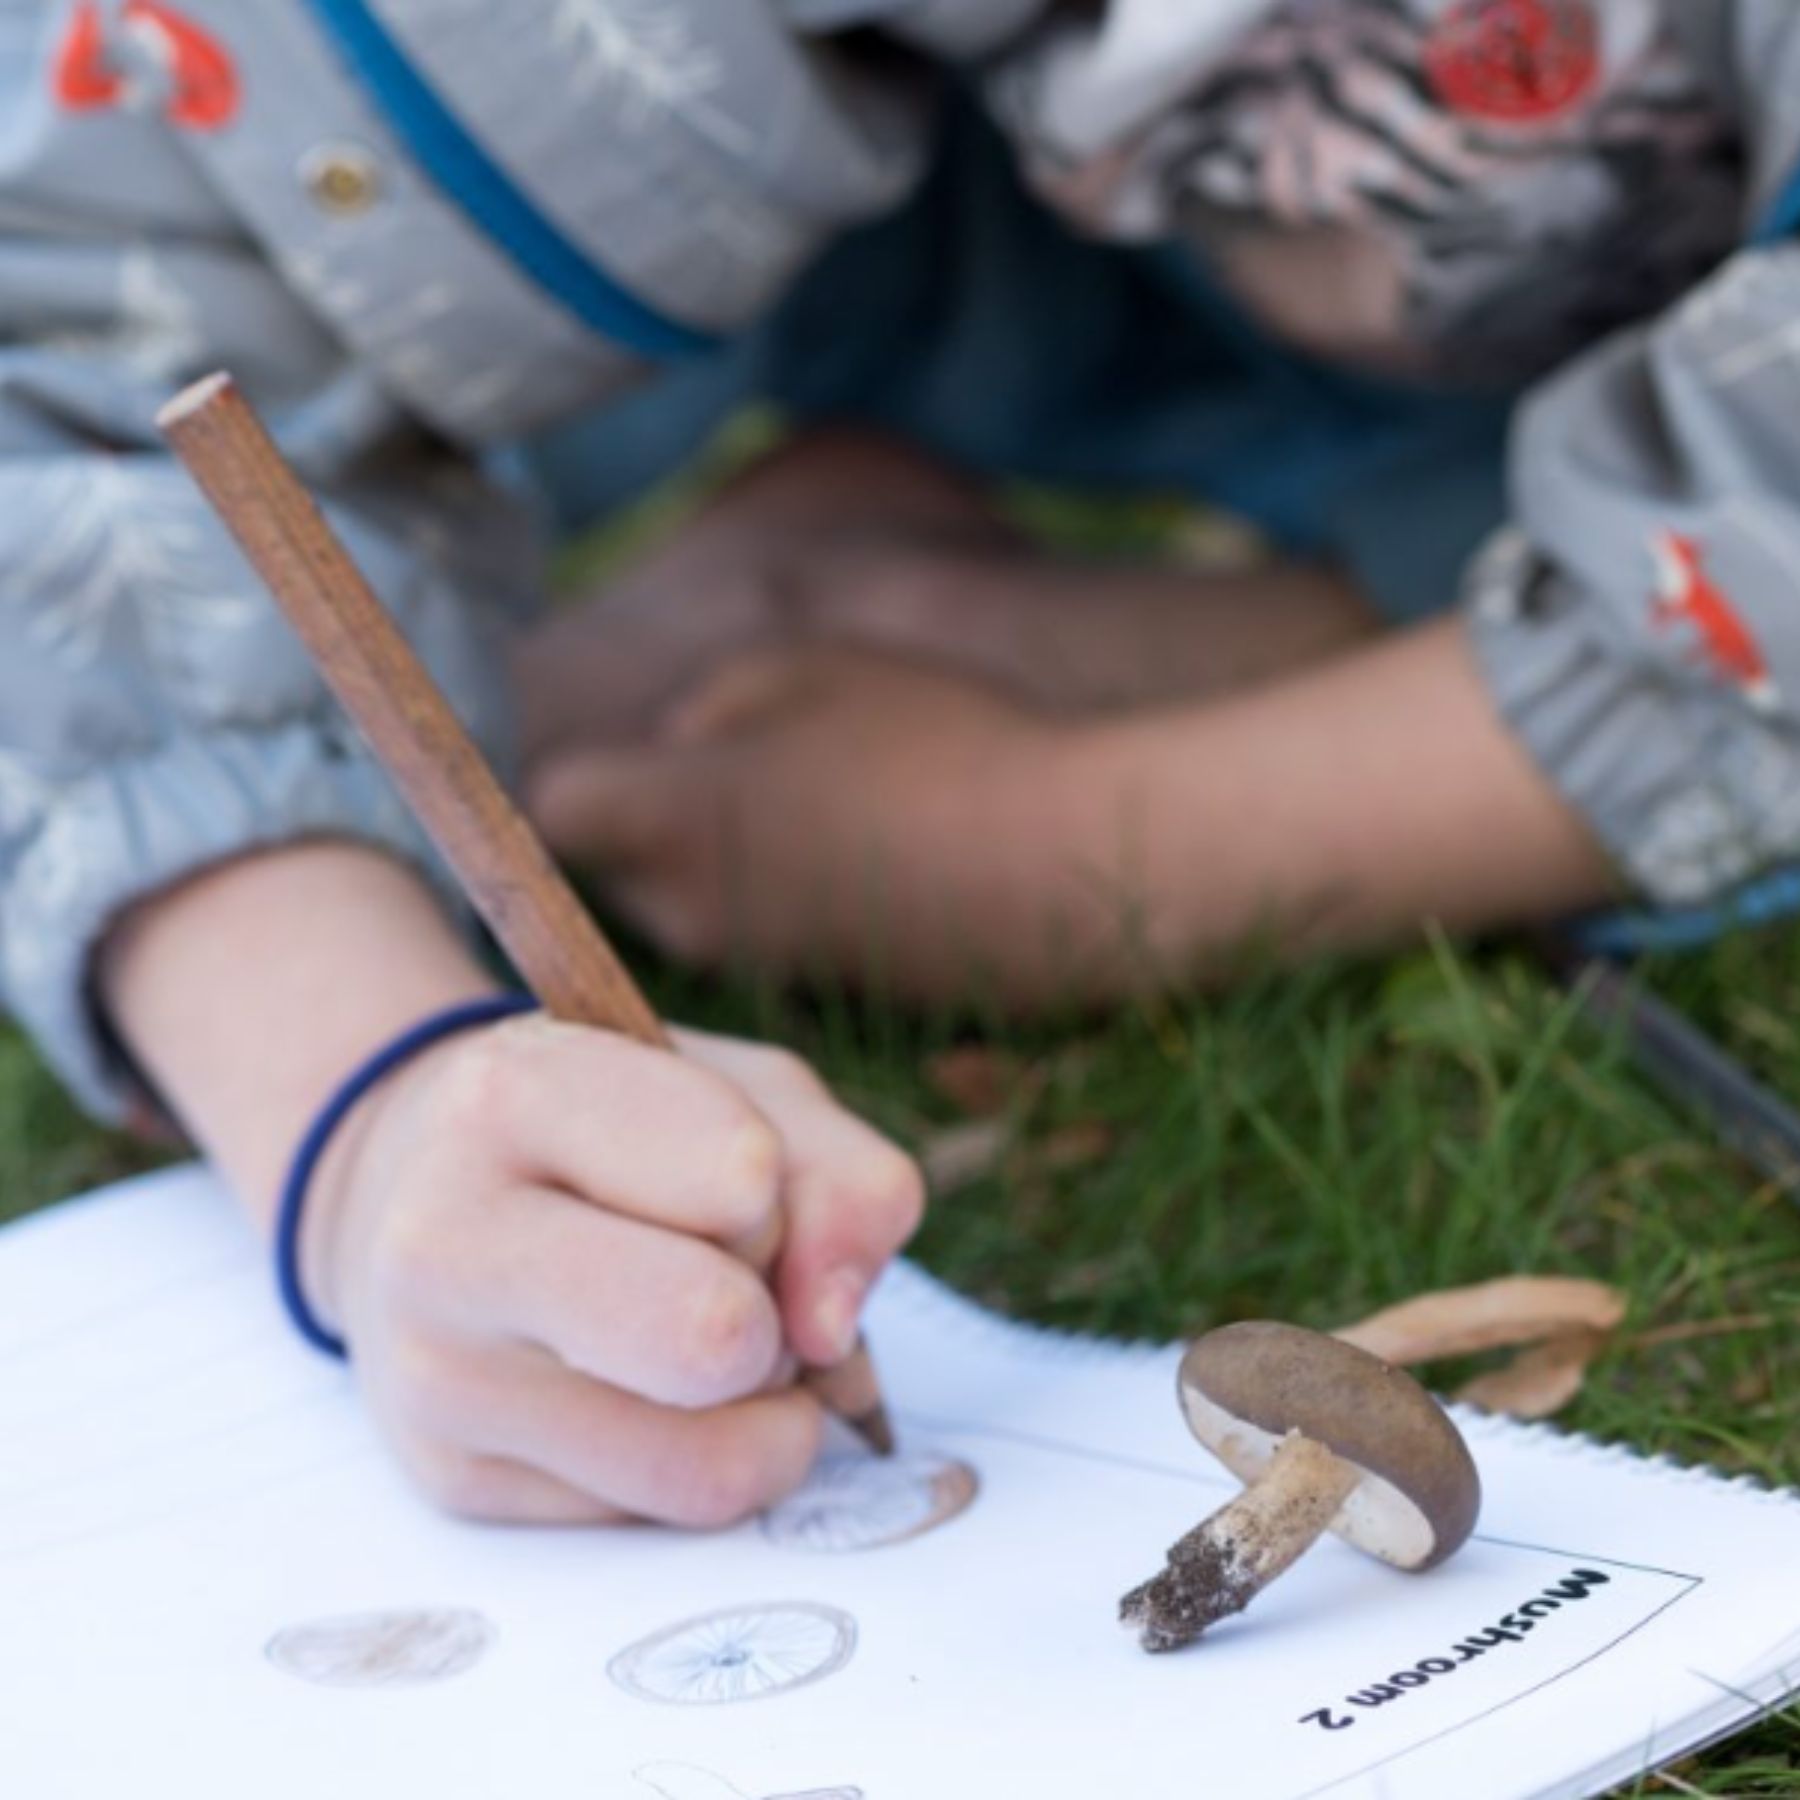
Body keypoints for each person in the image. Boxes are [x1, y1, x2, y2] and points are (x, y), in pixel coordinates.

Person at [1, 0, 1795, 1526]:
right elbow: (80, 355)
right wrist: (369, 1102)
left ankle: (1302, 620)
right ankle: (1339, 604)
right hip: (1023, 265)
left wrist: (1101, 852)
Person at [519, 1, 1800, 1011]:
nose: (1102, 168)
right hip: (1099, 278)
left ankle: (998, 616)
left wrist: (1062, 851)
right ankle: (937, 601)